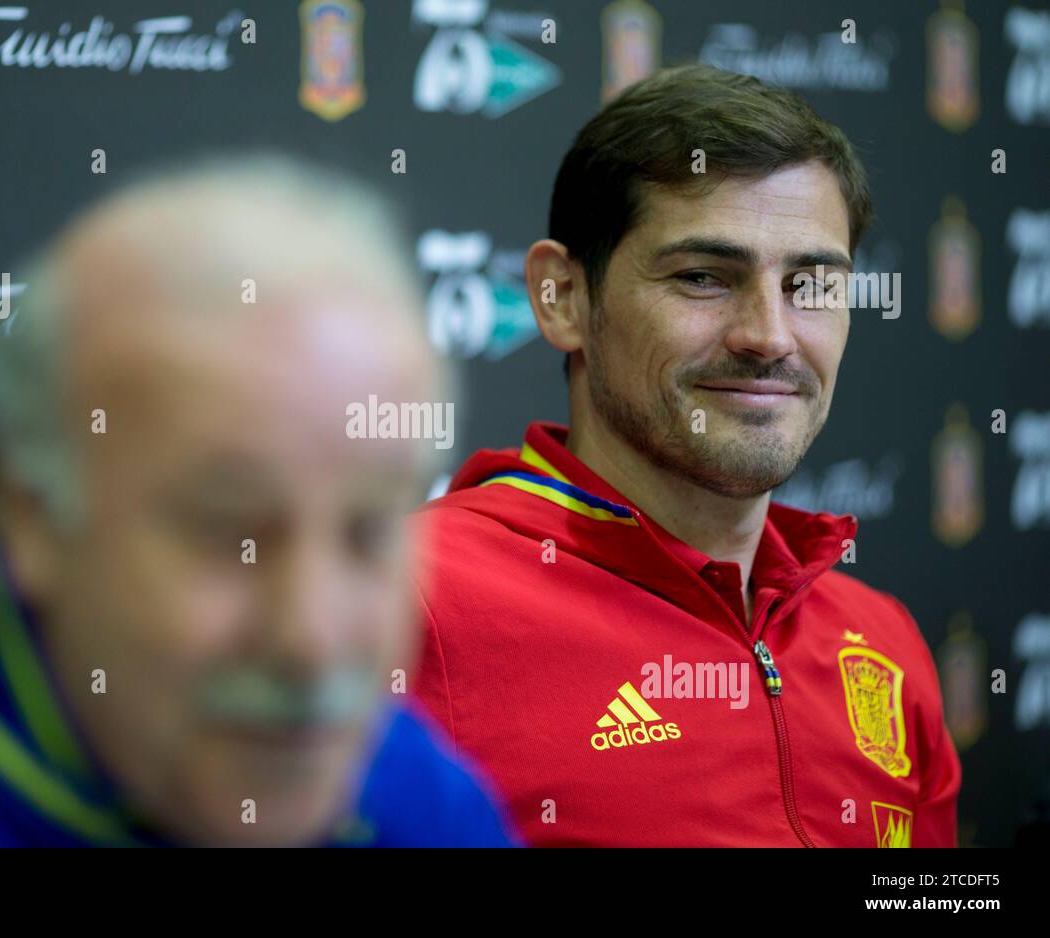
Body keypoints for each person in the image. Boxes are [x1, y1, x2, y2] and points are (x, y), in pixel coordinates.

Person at [0, 156, 514, 848]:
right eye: (228, 533)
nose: (310, 641)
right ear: (32, 520)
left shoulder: (416, 795)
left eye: (369, 531)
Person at [411, 66, 961, 847]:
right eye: (704, 277)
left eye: (809, 284)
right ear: (563, 296)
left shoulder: (882, 642)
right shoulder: (410, 602)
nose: (770, 335)